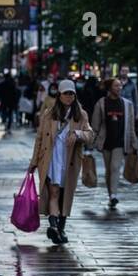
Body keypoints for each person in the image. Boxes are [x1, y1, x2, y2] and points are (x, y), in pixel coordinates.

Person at [29, 78, 94, 244]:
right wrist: (34, 162)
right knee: (54, 192)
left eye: (72, 93)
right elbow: (39, 139)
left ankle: (61, 227)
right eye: (66, 93)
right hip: (51, 160)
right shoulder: (49, 114)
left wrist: (77, 134)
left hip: (69, 161)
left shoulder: (81, 115)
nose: (69, 96)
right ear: (59, 94)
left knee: (65, 195)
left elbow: (90, 135)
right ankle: (54, 226)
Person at [90, 76, 138, 209]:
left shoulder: (127, 104)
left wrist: (134, 143)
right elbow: (95, 125)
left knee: (115, 167)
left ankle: (114, 195)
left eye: (120, 86)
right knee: (108, 170)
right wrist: (91, 141)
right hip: (105, 141)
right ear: (110, 88)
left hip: (120, 141)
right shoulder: (101, 103)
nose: (119, 88)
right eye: (116, 86)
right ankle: (110, 194)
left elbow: (131, 126)